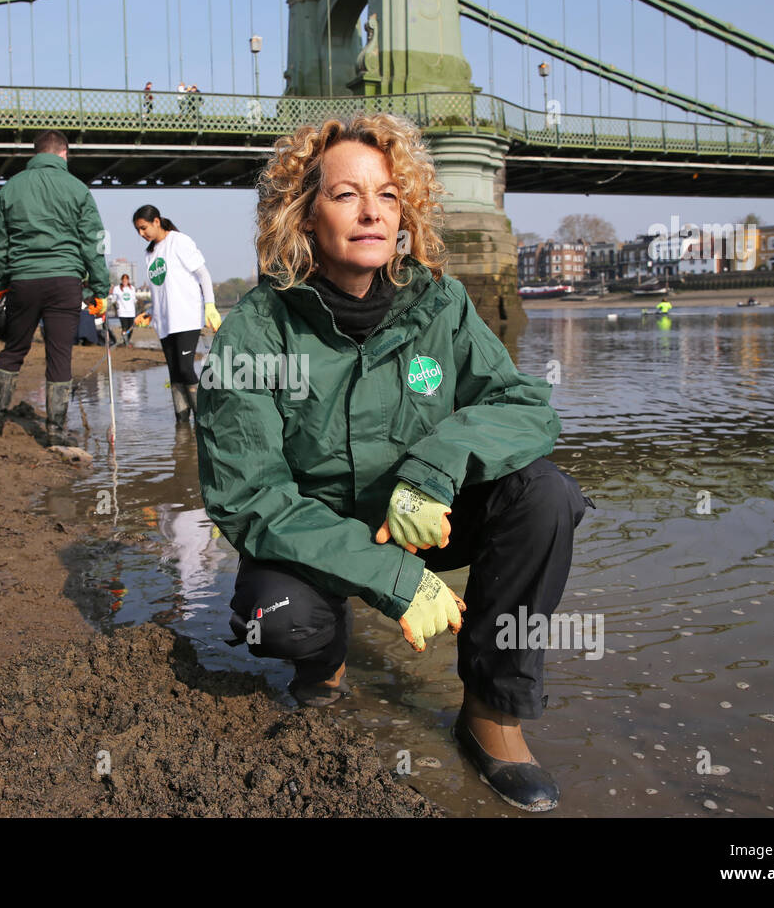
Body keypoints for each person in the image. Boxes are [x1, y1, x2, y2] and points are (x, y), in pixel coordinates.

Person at [195, 113, 591, 813]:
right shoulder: (254, 330)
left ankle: (493, 712)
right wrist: (393, 578)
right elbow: (251, 497)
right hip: (315, 536)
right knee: (277, 613)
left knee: (546, 495)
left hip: (422, 519)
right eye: (346, 194)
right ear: (304, 212)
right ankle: (324, 661)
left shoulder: (440, 301)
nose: (372, 210)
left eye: (386, 193)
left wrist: (434, 469)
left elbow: (527, 408)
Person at [0, 129, 110, 443]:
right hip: (65, 281)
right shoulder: (78, 189)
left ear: (35, 153)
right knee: (59, 355)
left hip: (23, 281)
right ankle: (55, 431)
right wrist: (100, 288)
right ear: (64, 153)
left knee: (14, 349)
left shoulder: (9, 189)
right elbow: (93, 243)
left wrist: (1, 283)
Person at [131, 205, 222, 423]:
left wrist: (210, 305)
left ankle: (205, 420)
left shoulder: (179, 241)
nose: (142, 234)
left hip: (186, 319)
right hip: (164, 323)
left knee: (185, 368)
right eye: (138, 231)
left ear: (156, 221)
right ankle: (182, 423)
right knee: (174, 373)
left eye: (144, 228)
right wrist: (150, 312)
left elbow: (204, 275)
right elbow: (161, 289)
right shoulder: (149, 253)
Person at [112, 273, 136, 346]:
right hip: (122, 312)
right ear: (121, 280)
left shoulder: (132, 288)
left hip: (131, 312)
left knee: (131, 328)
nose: (125, 281)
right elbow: (113, 299)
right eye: (123, 279)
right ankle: (126, 342)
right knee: (124, 327)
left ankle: (127, 340)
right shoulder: (117, 288)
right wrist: (115, 306)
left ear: (128, 280)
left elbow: (134, 299)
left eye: (126, 279)